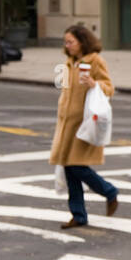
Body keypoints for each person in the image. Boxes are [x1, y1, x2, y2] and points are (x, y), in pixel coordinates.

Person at [49, 24, 120, 229]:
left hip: (84, 124)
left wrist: (93, 84)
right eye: (66, 42)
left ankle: (108, 191)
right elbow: (64, 90)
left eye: (71, 41)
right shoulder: (69, 62)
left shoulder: (95, 61)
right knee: (69, 169)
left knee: (76, 166)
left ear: (82, 41)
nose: (67, 45)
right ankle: (78, 215)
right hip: (67, 124)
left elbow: (109, 88)